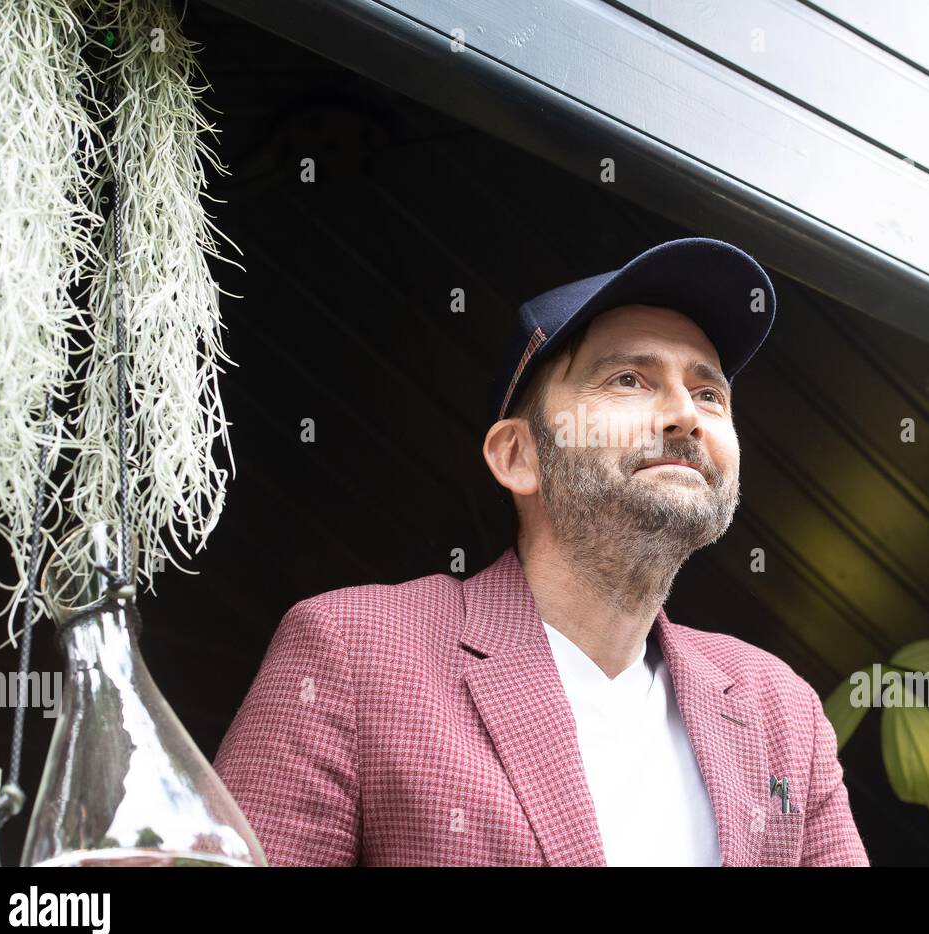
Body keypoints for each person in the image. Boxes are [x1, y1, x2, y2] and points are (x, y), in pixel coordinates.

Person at [212, 237, 869, 866]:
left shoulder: (783, 707)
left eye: (708, 393)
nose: (685, 415)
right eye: (627, 379)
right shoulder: (355, 650)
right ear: (518, 455)